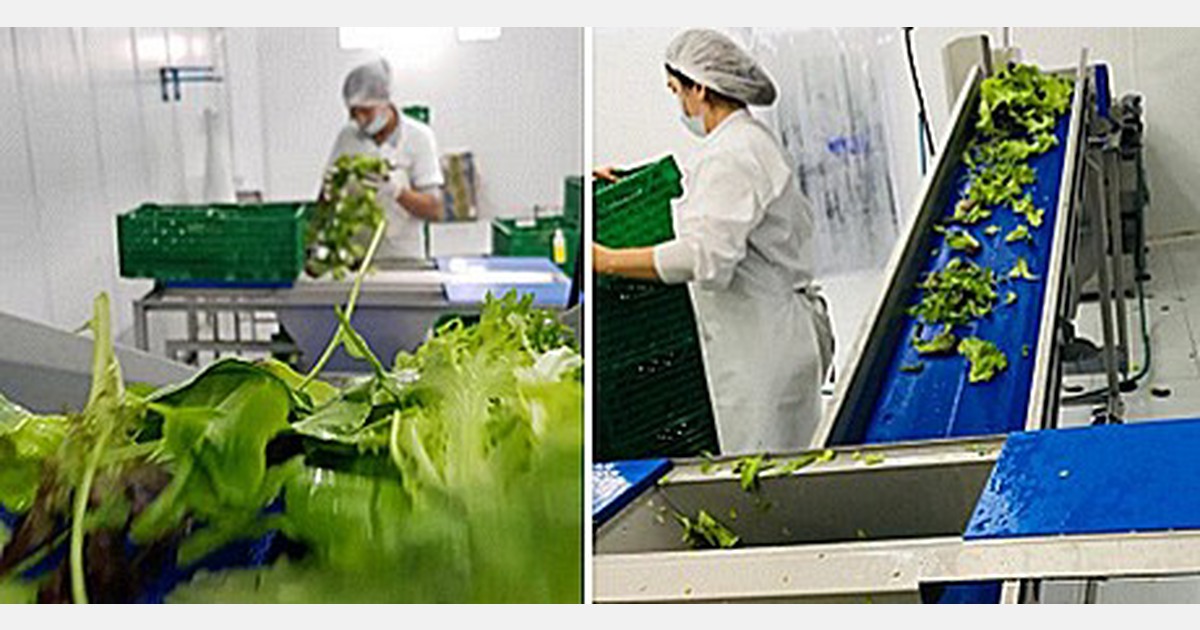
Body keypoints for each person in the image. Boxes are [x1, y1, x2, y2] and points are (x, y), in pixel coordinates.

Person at [593, 29, 834, 456]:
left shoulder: (732, 153)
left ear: (698, 87)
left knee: (771, 484)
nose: (679, 105)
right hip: (769, 337)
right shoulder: (743, 143)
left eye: (676, 91)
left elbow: (702, 256)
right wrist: (629, 181)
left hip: (764, 349)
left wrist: (607, 260)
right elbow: (717, 209)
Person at [325, 58, 444, 259]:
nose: (359, 120)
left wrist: (397, 192)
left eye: (366, 111)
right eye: (354, 112)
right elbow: (327, 193)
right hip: (356, 258)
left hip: (404, 258)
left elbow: (435, 209)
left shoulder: (419, 138)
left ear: (385, 103)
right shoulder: (347, 137)